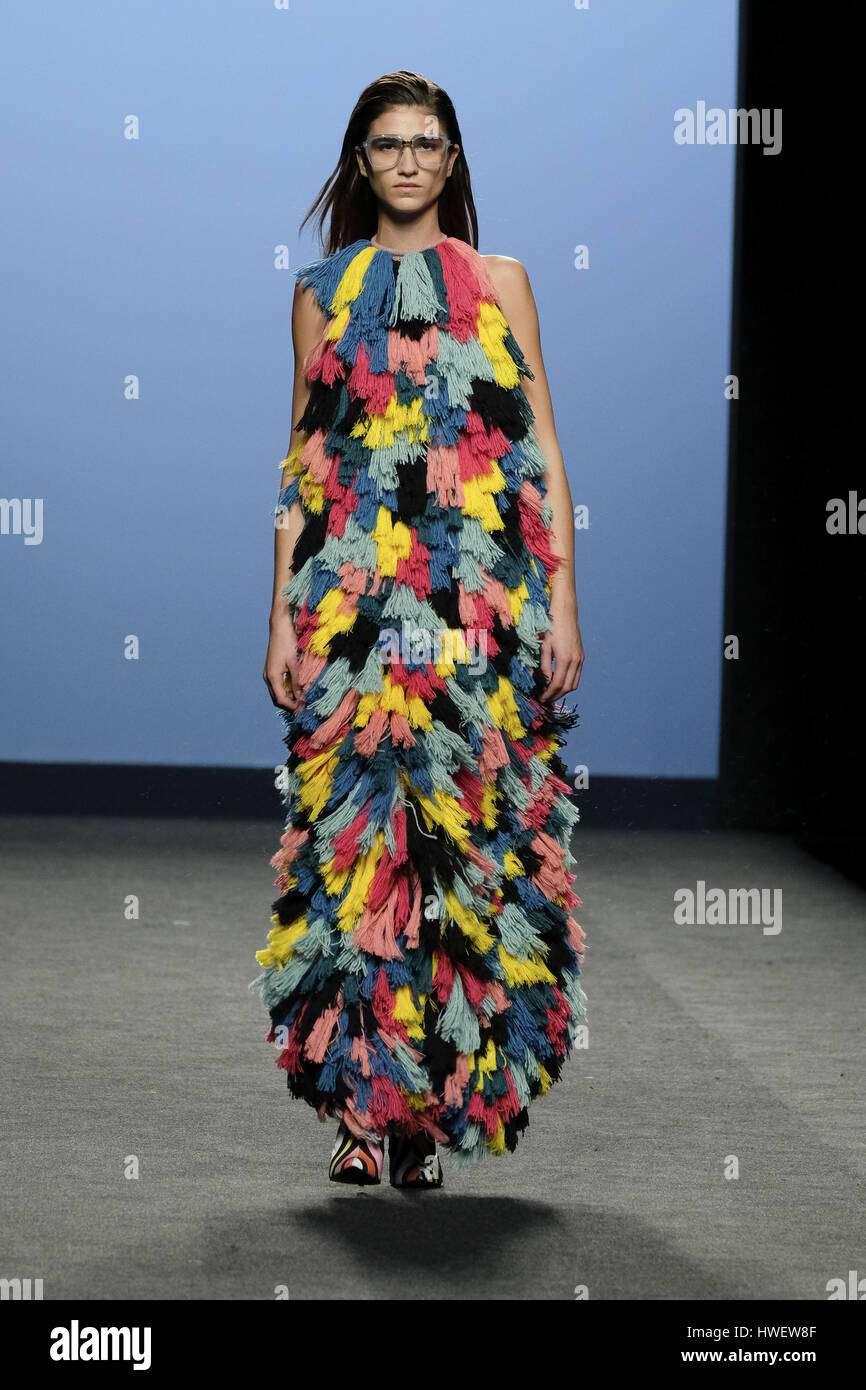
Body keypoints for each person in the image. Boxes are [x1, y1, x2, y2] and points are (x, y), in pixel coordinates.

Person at [251, 70, 587, 1189]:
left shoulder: (500, 282)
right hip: (352, 613)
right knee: (358, 850)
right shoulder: (321, 293)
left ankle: (425, 1119)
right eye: (386, 143)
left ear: (451, 160)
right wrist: (280, 620)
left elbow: (539, 452)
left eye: (425, 142)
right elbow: (304, 469)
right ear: (361, 162)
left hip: (475, 610)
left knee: (457, 846)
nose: (406, 160)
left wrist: (564, 606)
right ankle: (358, 1112)